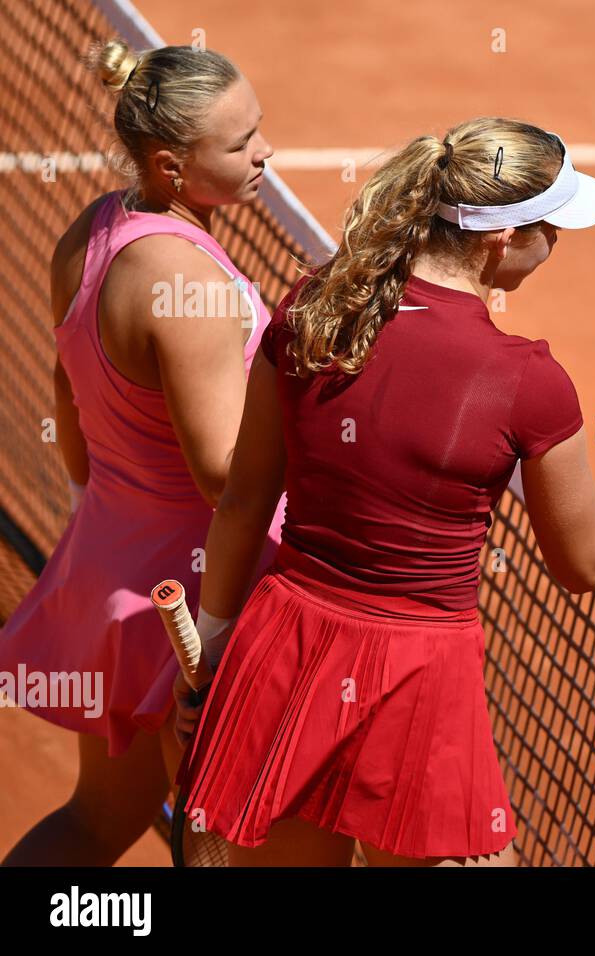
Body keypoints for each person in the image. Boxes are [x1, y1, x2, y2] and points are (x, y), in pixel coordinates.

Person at [172, 117, 595, 867]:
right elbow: (584, 561)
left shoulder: (314, 308)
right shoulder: (528, 382)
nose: (560, 242)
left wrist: (216, 656)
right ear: (500, 242)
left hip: (282, 652)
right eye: (552, 227)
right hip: (415, 680)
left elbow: (245, 500)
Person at [0, 39, 283, 865]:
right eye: (239, 145)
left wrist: (118, 506)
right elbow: (226, 474)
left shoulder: (94, 231)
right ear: (170, 165)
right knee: (218, 847)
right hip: (197, 595)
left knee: (96, 822)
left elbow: (70, 403)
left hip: (111, 563)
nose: (265, 152)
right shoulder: (189, 286)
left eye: (258, 128)